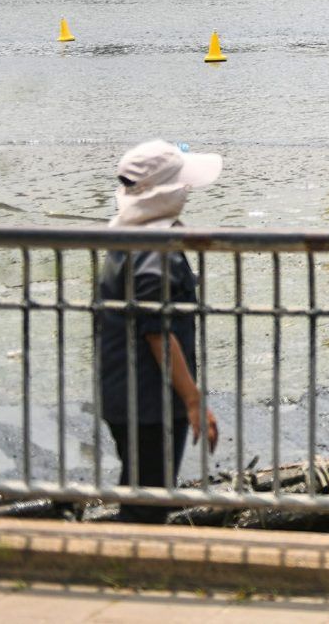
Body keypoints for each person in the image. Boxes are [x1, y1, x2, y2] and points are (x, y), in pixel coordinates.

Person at [97, 140, 222, 520]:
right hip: (150, 403)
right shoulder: (154, 247)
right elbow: (158, 333)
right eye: (181, 184)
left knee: (140, 492)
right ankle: (126, 573)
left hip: (124, 393)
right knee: (148, 505)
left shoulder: (126, 235)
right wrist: (194, 400)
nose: (186, 191)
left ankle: (122, 570)